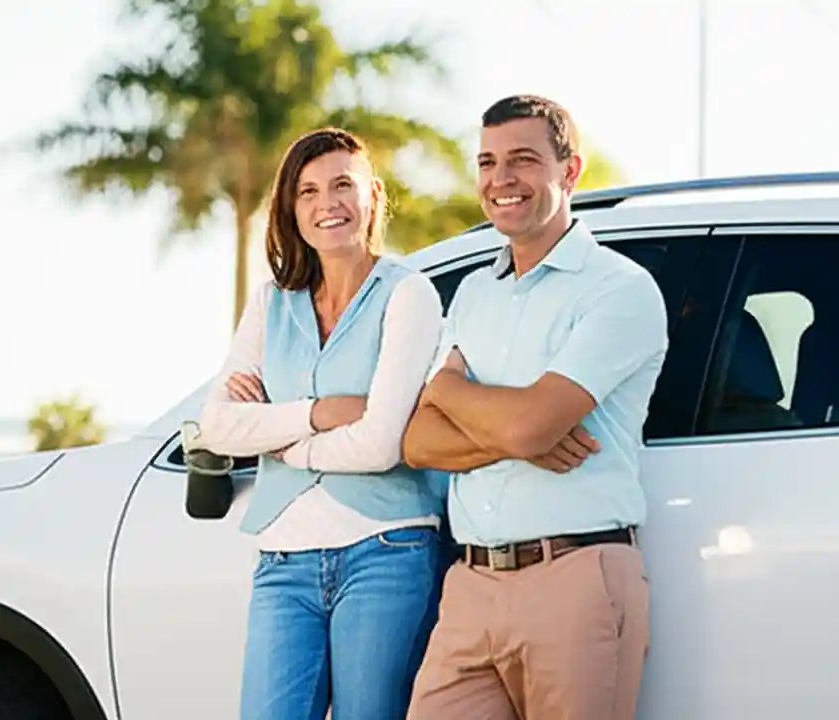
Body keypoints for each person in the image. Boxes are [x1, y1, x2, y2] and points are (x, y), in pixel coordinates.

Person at [403, 95, 668, 720]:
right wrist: (517, 428)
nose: (501, 180)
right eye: (488, 162)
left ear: (569, 172)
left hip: (573, 578)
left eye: (522, 160)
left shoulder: (619, 289)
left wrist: (448, 391)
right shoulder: (472, 291)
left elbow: (529, 425)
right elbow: (418, 442)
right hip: (471, 585)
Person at [191, 127, 446, 720]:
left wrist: (282, 443)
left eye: (341, 186)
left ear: (373, 197)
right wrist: (316, 414)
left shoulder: (408, 295)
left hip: (388, 549)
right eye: (307, 191)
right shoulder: (270, 302)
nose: (325, 204)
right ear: (290, 208)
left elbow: (381, 444)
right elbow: (218, 426)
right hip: (283, 560)